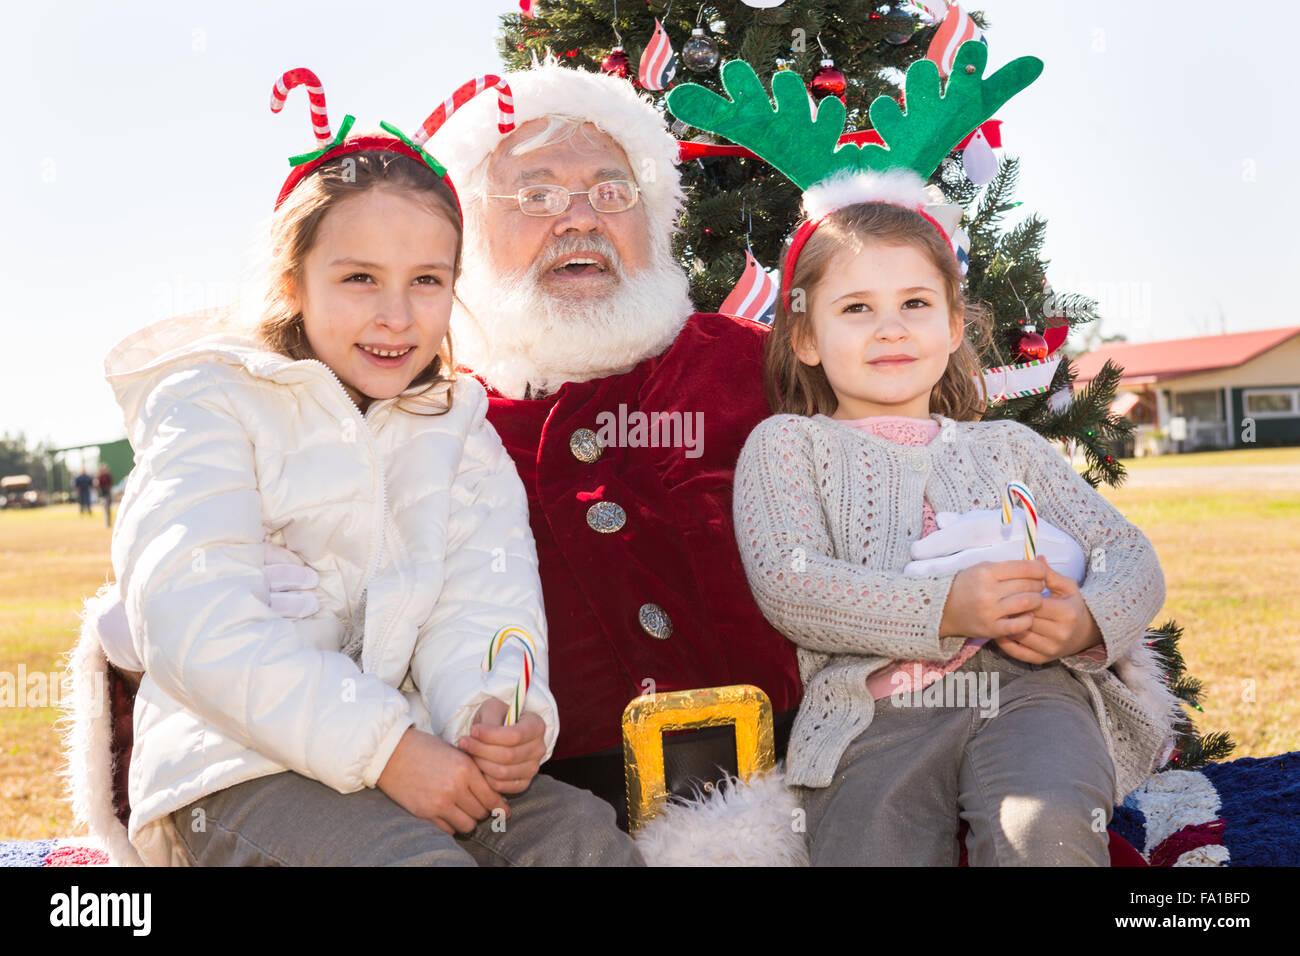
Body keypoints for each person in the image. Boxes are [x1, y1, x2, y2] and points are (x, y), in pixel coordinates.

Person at [75, 58, 1152, 865]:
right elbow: (204, 608)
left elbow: (940, 460)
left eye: (609, 186)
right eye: (535, 191)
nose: (578, 214)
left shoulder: (774, 371)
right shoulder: (449, 413)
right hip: (347, 772)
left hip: (815, 761)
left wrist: (497, 709)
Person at [66, 69, 640, 867]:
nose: (397, 316)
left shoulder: (459, 429)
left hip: (420, 756)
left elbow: (485, 602)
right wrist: (387, 750)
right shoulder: (208, 402)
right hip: (239, 773)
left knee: (583, 842)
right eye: (360, 278)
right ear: (293, 281)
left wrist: (494, 710)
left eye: (427, 282)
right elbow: (194, 623)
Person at [732, 197, 1175, 865]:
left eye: (915, 303)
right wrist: (946, 607)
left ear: (951, 327)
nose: (891, 329)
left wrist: (1086, 619)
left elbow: (1127, 553)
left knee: (1047, 831)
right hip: (872, 713)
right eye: (856, 308)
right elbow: (791, 584)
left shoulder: (1010, 448)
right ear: (806, 338)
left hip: (1031, 690)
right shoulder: (787, 446)